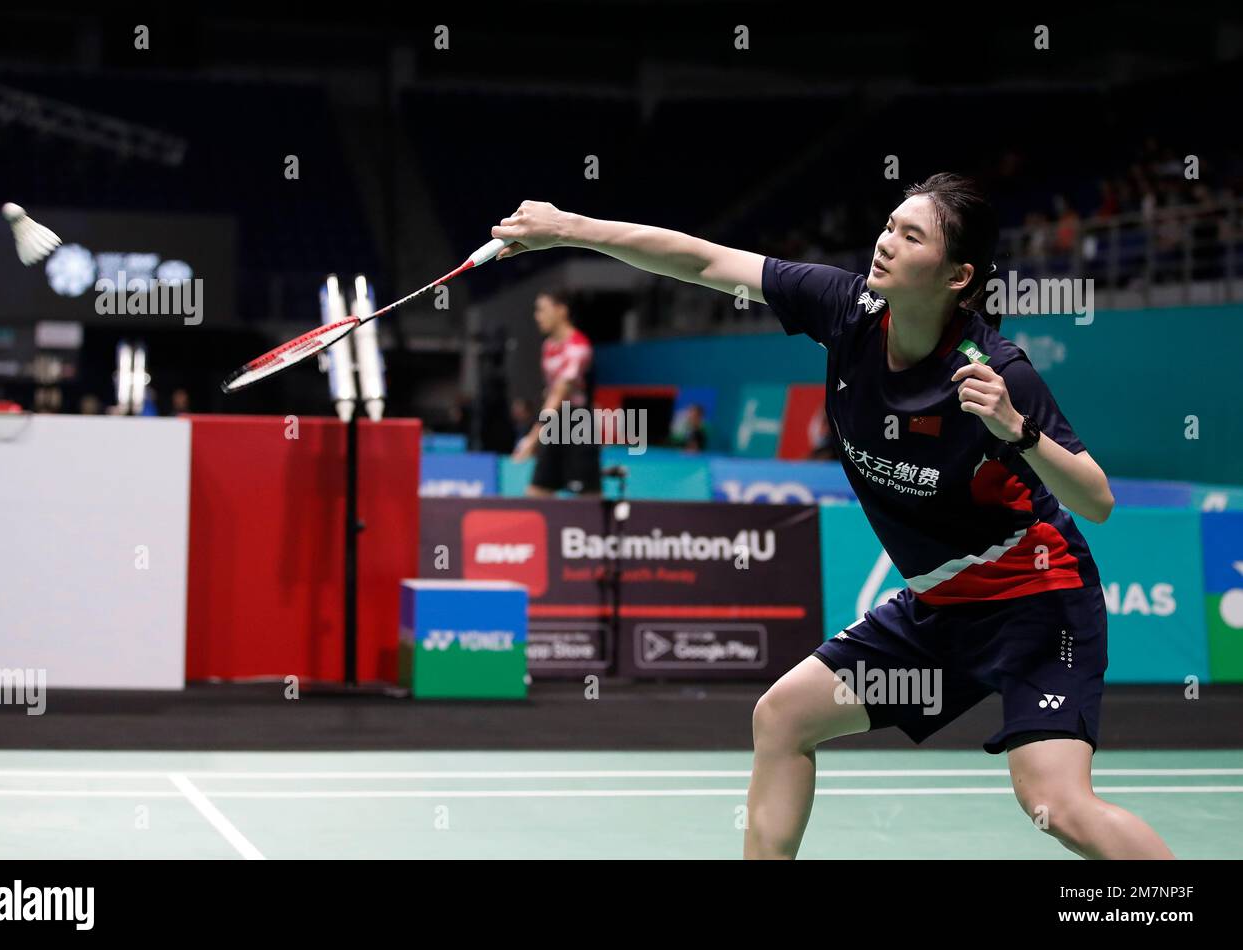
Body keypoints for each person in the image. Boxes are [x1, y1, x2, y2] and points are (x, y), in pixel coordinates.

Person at [490, 177, 1174, 860]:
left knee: (1055, 806)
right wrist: (568, 226)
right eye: (889, 225)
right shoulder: (846, 310)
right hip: (940, 611)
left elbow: (1097, 500)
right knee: (784, 718)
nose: (886, 242)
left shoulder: (993, 373)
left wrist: (1017, 430)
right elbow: (703, 261)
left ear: (957, 275)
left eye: (913, 236)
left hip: (1036, 606)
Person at [510, 289, 601, 497]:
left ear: (561, 310)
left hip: (579, 425)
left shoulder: (579, 346)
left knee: (588, 502)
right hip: (555, 422)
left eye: (542, 310)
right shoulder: (549, 346)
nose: (537, 316)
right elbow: (549, 393)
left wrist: (533, 438)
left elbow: (559, 393)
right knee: (536, 493)